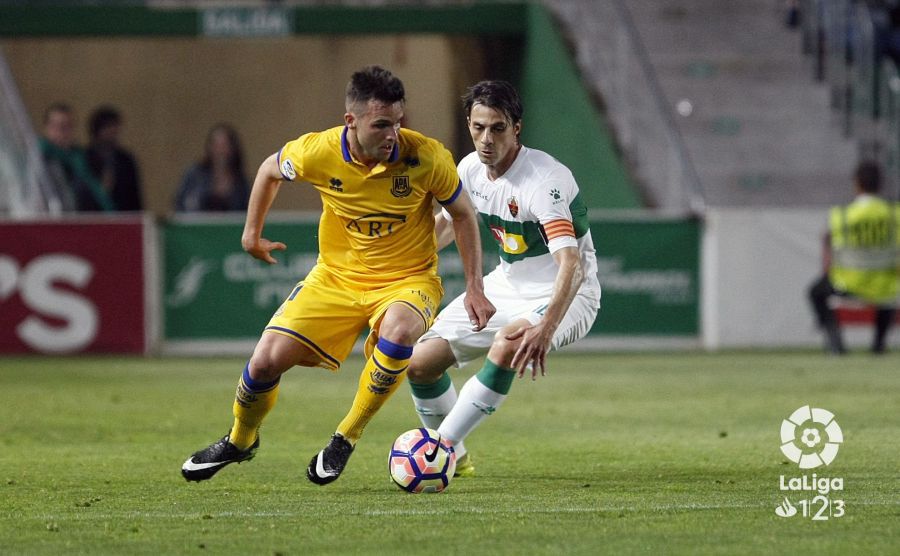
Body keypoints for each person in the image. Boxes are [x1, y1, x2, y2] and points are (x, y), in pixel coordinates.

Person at [181, 66, 494, 485]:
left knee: (400, 332)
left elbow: (463, 215)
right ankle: (240, 440)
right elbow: (269, 170)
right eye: (381, 124)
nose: (392, 134)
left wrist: (474, 287)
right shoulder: (317, 151)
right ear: (351, 121)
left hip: (409, 279)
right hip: (335, 279)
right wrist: (251, 234)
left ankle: (346, 437)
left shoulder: (426, 156)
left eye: (397, 123)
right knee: (265, 361)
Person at [406, 80, 601, 477]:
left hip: (569, 293)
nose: (486, 139)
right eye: (478, 128)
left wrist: (546, 327)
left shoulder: (545, 181)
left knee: (509, 342)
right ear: (468, 124)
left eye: (497, 128)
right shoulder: (469, 169)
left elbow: (572, 265)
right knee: (419, 364)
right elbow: (446, 226)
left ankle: (437, 451)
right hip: (506, 284)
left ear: (517, 128)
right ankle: (456, 459)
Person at [808, 160, 899, 354]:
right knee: (888, 294)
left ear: (857, 183)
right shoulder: (894, 215)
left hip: (848, 285)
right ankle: (879, 345)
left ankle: (836, 344)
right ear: (880, 184)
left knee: (815, 292)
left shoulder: (842, 215)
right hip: (886, 285)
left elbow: (828, 242)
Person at [39, 102, 115, 212]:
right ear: (47, 127)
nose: (62, 131)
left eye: (67, 126)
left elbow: (100, 192)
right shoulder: (38, 158)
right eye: (58, 126)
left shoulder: (86, 159)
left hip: (84, 217)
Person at [174, 123, 250, 212]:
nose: (220, 150)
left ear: (232, 148)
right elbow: (180, 205)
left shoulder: (241, 181)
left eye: (224, 145)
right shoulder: (194, 176)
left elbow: (247, 209)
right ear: (209, 147)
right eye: (216, 145)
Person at [85, 105, 143, 211]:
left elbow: (134, 197)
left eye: (115, 127)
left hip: (122, 213)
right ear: (98, 130)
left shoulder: (126, 160)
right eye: (108, 128)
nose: (112, 132)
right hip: (92, 215)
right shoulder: (84, 159)